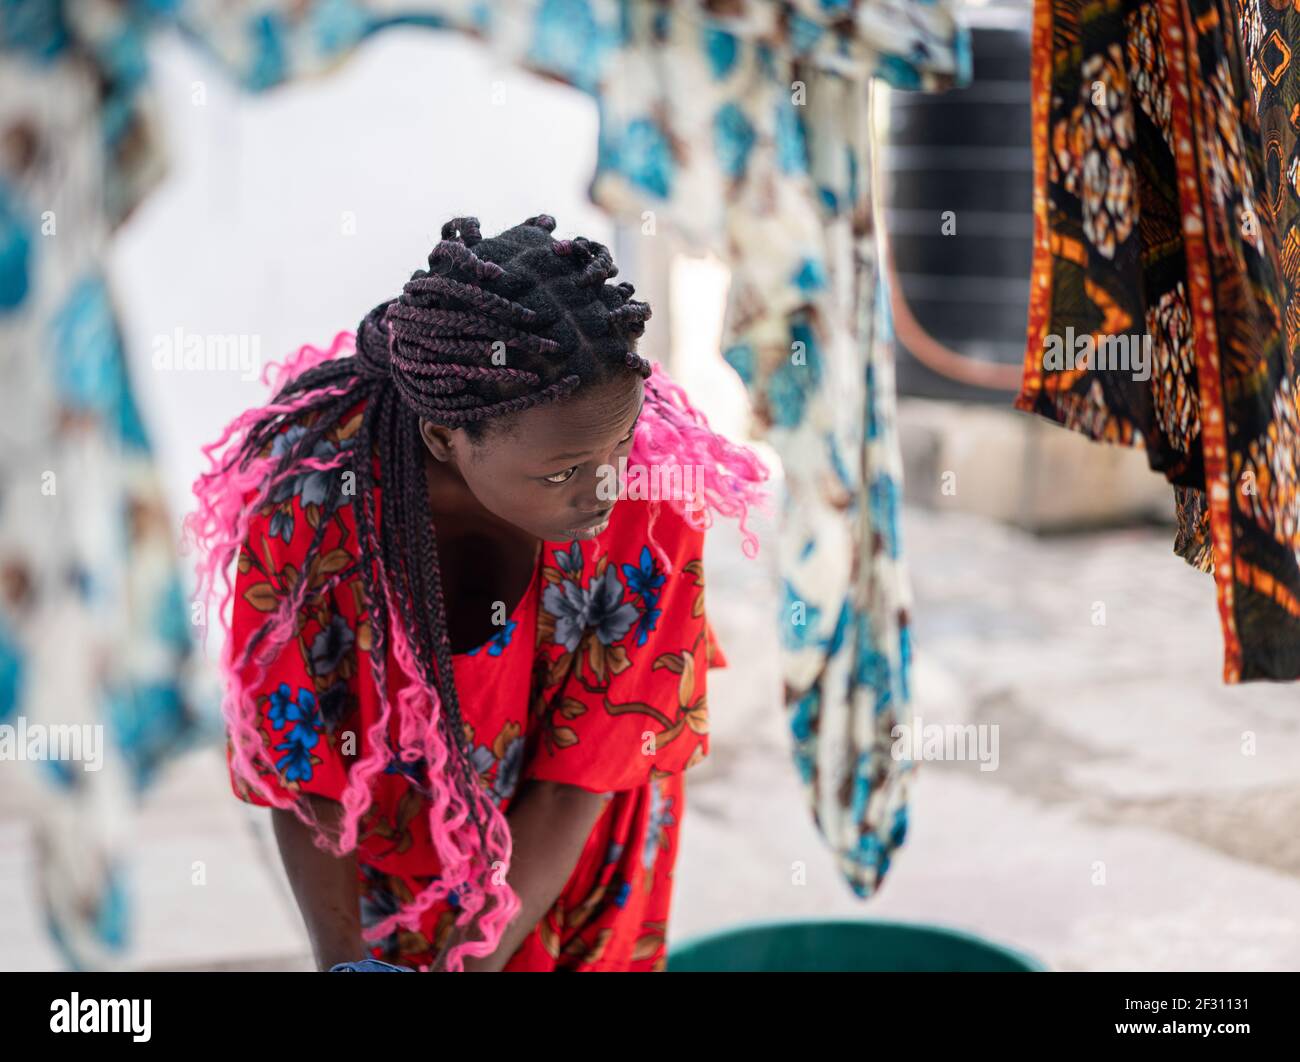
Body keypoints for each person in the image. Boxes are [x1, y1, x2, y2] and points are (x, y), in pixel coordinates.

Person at [186, 214, 767, 971]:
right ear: (443, 439)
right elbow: (304, 765)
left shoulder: (649, 505)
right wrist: (342, 959)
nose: (603, 488)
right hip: (387, 857)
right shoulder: (313, 505)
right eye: (560, 472)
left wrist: (477, 960)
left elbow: (579, 779)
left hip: (574, 858)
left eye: (619, 445)